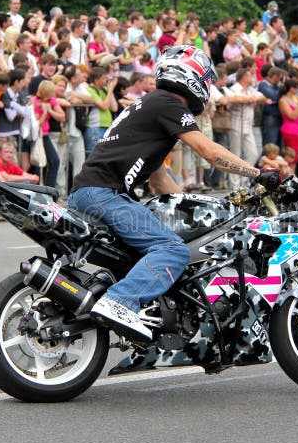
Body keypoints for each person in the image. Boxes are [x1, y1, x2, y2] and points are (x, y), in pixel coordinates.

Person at [68, 45, 261, 342]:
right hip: (102, 194)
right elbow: (209, 151)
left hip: (91, 194)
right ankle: (120, 302)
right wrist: (259, 175)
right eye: (206, 80)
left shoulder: (150, 106)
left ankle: (127, 301)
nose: (208, 86)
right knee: (172, 250)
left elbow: (160, 179)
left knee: (146, 252)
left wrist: (204, 210)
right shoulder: (168, 104)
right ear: (193, 77)